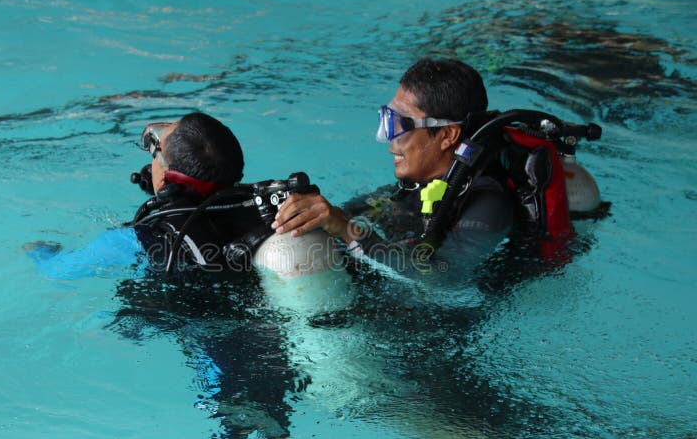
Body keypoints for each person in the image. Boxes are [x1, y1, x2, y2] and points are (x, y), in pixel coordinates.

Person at [271, 58, 515, 270]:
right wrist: (311, 213)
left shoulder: (489, 202)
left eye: (402, 124)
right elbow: (346, 216)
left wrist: (348, 231)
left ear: (448, 135)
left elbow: (444, 280)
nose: (389, 137)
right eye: (389, 120)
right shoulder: (418, 185)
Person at [26, 111, 262, 279]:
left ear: (164, 178)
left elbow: (59, 271)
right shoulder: (264, 210)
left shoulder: (131, 240)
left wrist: (38, 249)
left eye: (155, 146)